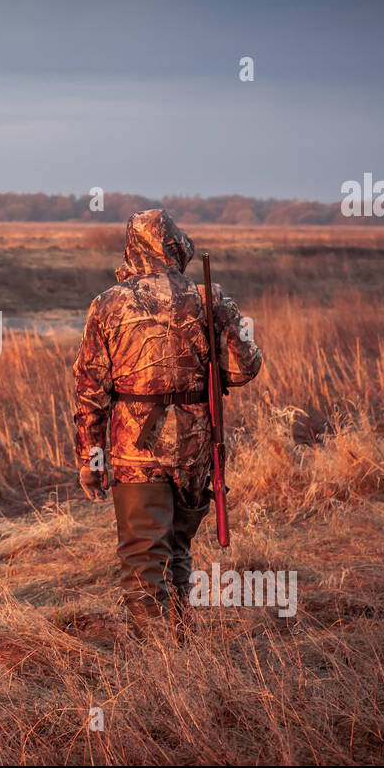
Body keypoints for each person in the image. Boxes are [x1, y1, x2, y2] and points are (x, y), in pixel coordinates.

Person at [73, 209, 263, 637]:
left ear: (133, 247)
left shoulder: (108, 303)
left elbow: (90, 387)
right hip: (195, 447)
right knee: (178, 549)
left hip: (134, 449)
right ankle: (179, 646)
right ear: (176, 246)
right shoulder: (211, 298)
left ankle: (159, 665)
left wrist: (91, 455)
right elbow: (243, 370)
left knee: (143, 557)